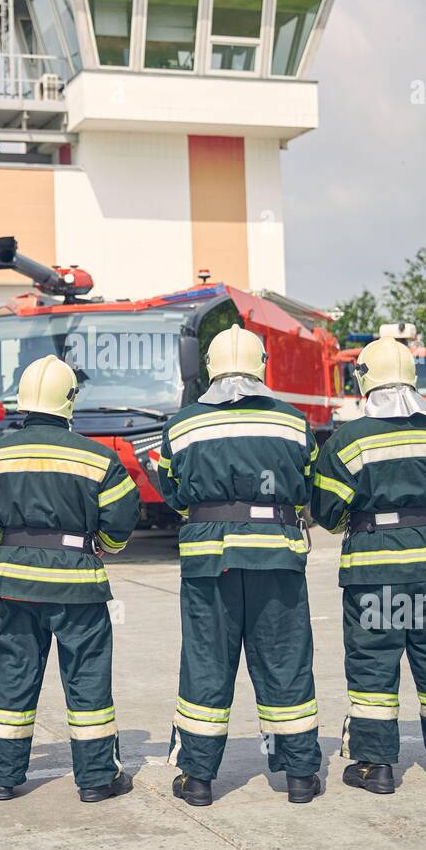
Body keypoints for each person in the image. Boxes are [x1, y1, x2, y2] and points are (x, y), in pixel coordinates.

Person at [0, 355, 140, 803]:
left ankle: (1, 777)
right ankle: (97, 779)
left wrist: (9, 544)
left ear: (22, 401)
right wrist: (103, 546)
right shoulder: (98, 458)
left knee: (9, 675)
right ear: (70, 401)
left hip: (14, 585)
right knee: (87, 678)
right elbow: (121, 519)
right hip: (78, 584)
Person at [157, 324, 322, 806]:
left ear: (210, 368)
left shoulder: (182, 425)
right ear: (261, 366)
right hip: (278, 555)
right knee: (286, 663)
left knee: (207, 664)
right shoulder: (294, 423)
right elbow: (308, 484)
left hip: (209, 560)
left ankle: (199, 778)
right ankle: (299, 776)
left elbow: (172, 491)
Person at [311, 334, 426, 794]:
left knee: (373, 665)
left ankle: (377, 766)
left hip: (373, 567)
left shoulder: (348, 440)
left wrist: (361, 521)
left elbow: (327, 510)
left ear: (365, 380)